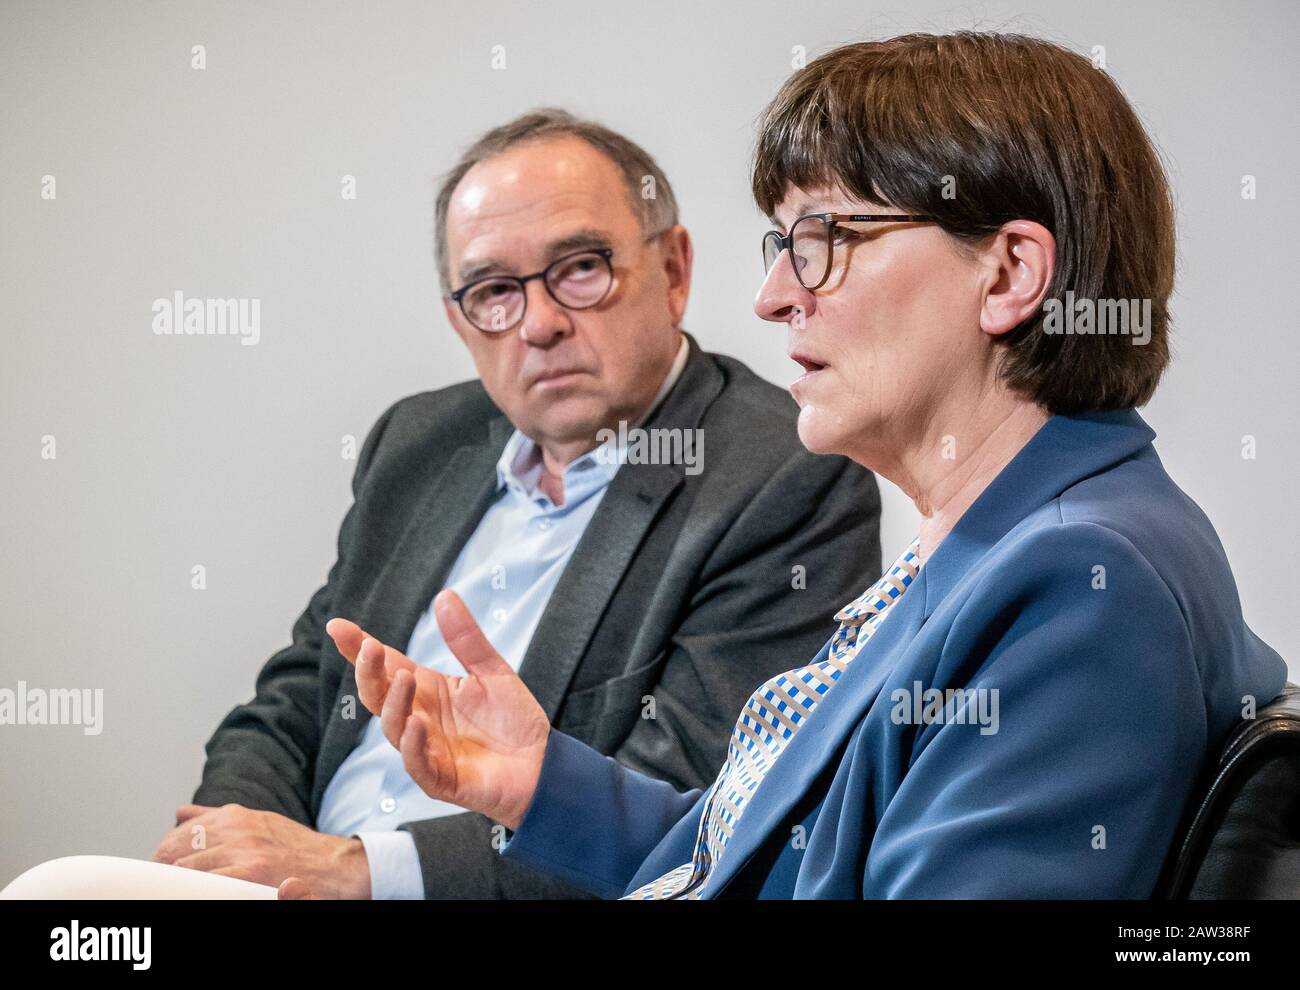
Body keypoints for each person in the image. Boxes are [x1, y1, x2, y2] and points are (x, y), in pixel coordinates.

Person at [311, 32, 1288, 899]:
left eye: (824, 240)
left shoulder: (1082, 582)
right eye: (782, 244)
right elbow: (764, 861)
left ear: (1008, 274)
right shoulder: (1004, 540)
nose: (774, 295)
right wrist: (536, 781)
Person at [0, 110, 884, 901]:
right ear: (460, 320)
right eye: (494, 291)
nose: (538, 323)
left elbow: (702, 813)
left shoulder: (783, 474)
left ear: (674, 269)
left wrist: (358, 872)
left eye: (580, 269)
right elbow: (300, 694)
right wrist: (235, 850)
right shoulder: (420, 443)